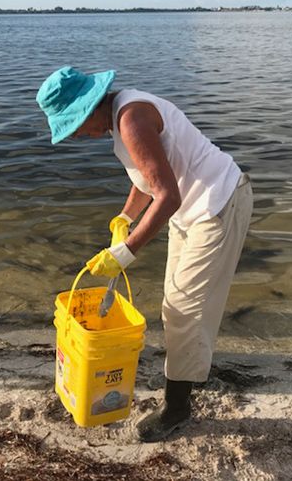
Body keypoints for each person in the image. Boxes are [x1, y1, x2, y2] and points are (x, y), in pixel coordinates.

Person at [36, 66, 254, 442]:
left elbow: (168, 195)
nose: (78, 136)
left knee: (184, 307)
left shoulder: (131, 119)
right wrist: (125, 216)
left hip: (217, 204)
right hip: (193, 210)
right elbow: (149, 180)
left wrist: (125, 252)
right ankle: (189, 373)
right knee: (177, 301)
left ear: (89, 107)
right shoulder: (120, 117)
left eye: (75, 126)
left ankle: (178, 408)